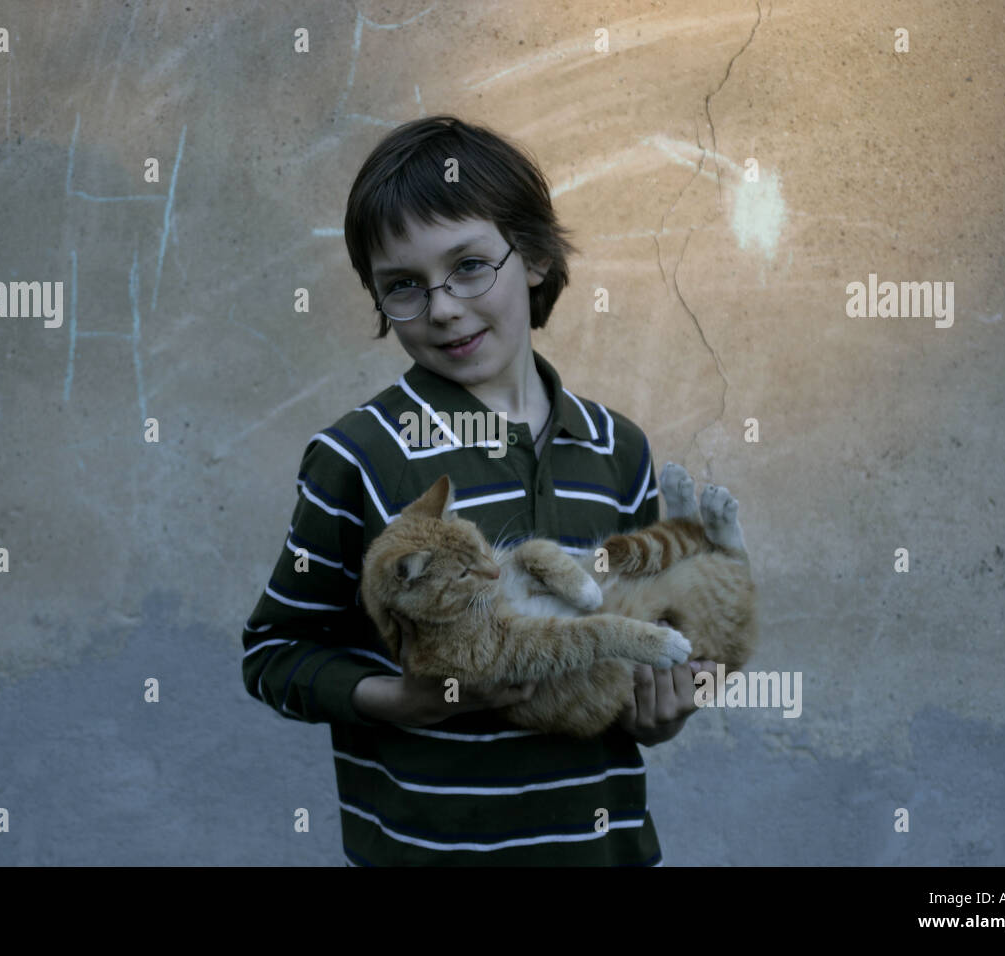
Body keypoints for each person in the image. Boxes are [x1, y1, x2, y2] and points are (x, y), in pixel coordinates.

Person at [241, 115, 711, 866]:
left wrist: (661, 710)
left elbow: (637, 645)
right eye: (404, 286)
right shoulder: (357, 455)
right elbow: (275, 653)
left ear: (531, 255)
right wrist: (400, 701)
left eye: (467, 266)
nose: (443, 307)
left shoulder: (617, 448)